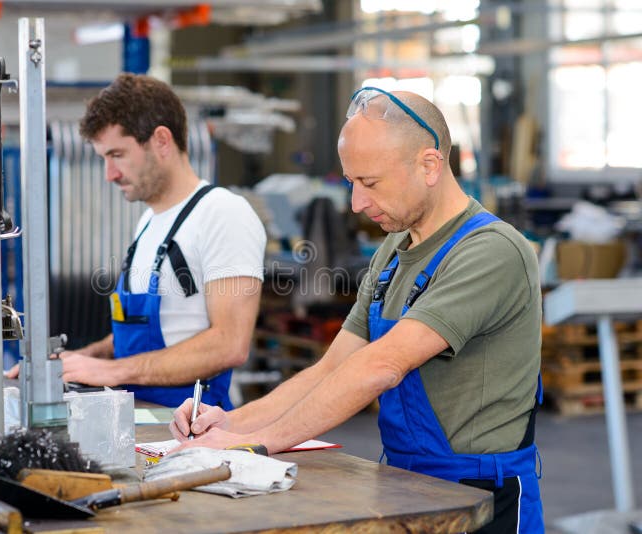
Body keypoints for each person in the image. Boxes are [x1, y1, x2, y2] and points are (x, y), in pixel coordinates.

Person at [170, 88, 544, 533]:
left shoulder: (491, 252)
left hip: (481, 498)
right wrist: (229, 425)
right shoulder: (393, 249)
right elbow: (334, 366)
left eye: (370, 183)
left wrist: (253, 444)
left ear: (429, 165)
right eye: (352, 183)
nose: (356, 204)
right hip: (407, 485)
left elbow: (382, 365)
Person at [12, 73, 266, 409]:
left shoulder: (223, 214)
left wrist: (113, 371)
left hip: (192, 425)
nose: (109, 175)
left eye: (117, 155)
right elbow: (148, 337)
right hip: (140, 417)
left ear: (161, 140)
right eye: (104, 158)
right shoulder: (149, 222)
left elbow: (229, 344)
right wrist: (80, 361)